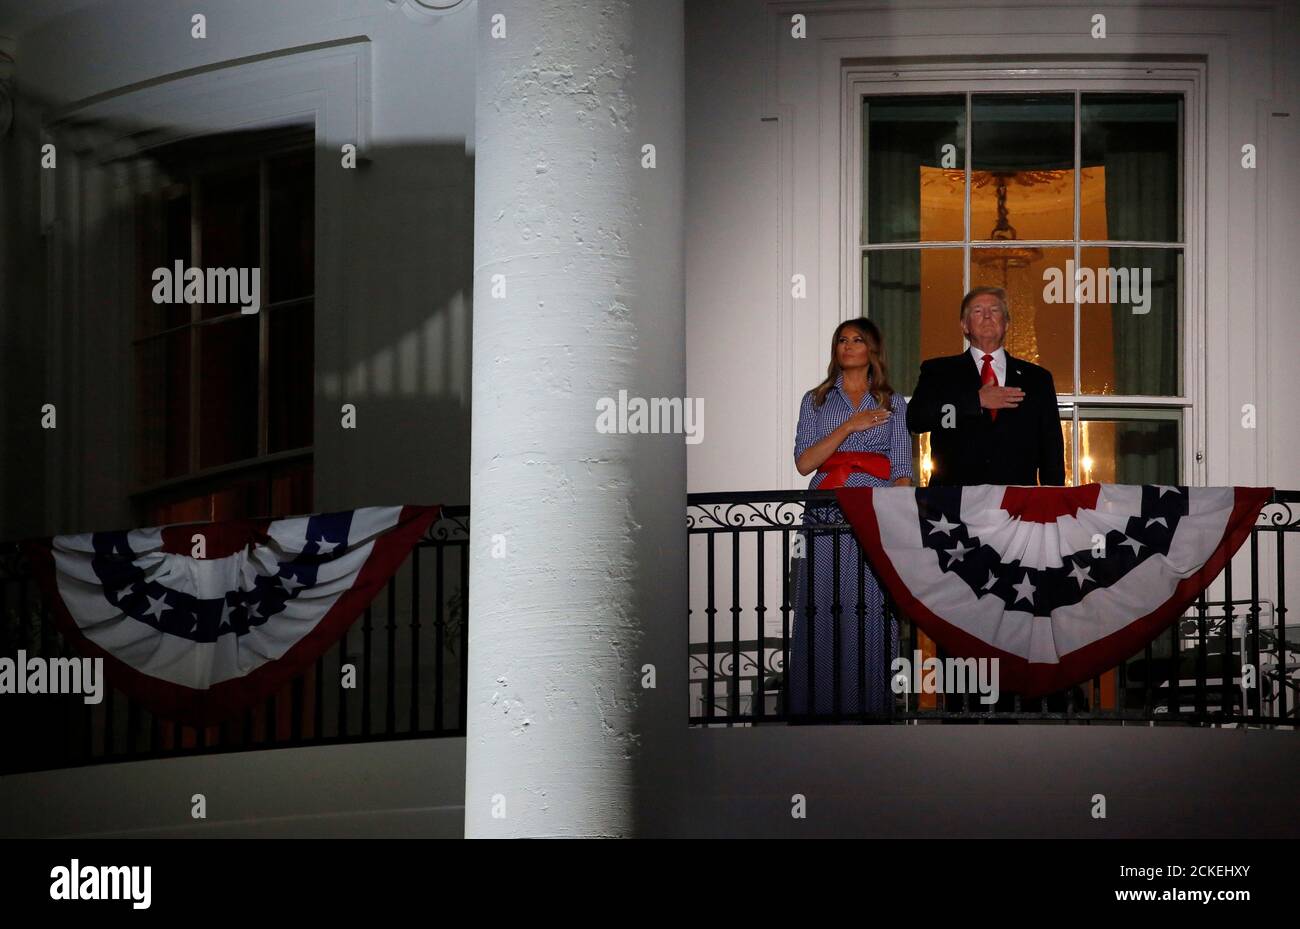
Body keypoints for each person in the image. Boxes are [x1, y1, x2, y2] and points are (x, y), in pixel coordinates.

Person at [787, 318, 912, 719]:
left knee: (872, 603)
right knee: (823, 601)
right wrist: (849, 426)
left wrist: (897, 522)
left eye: (857, 339)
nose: (848, 345)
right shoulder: (816, 400)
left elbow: (902, 470)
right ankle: (819, 707)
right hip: (825, 511)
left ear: (872, 349)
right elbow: (805, 462)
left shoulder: (894, 403)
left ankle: (871, 707)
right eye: (842, 340)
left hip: (874, 512)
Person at [906, 286, 1065, 487]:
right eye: (978, 311)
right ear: (965, 325)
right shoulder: (939, 372)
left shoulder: (1037, 379)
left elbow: (1051, 448)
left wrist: (1053, 502)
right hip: (955, 501)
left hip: (1017, 501)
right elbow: (917, 418)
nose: (987, 316)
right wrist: (976, 401)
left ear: (1006, 324)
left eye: (995, 310)